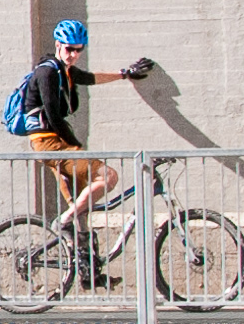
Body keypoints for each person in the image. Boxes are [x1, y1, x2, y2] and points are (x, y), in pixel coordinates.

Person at [10, 20, 155, 273]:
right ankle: (63, 221)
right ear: (58, 45)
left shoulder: (65, 70)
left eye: (79, 50)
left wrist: (125, 73)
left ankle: (89, 272)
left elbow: (90, 78)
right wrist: (77, 145)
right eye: (69, 49)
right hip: (50, 143)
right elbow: (53, 116)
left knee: (81, 209)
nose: (74, 55)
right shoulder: (46, 73)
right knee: (108, 177)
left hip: (55, 143)